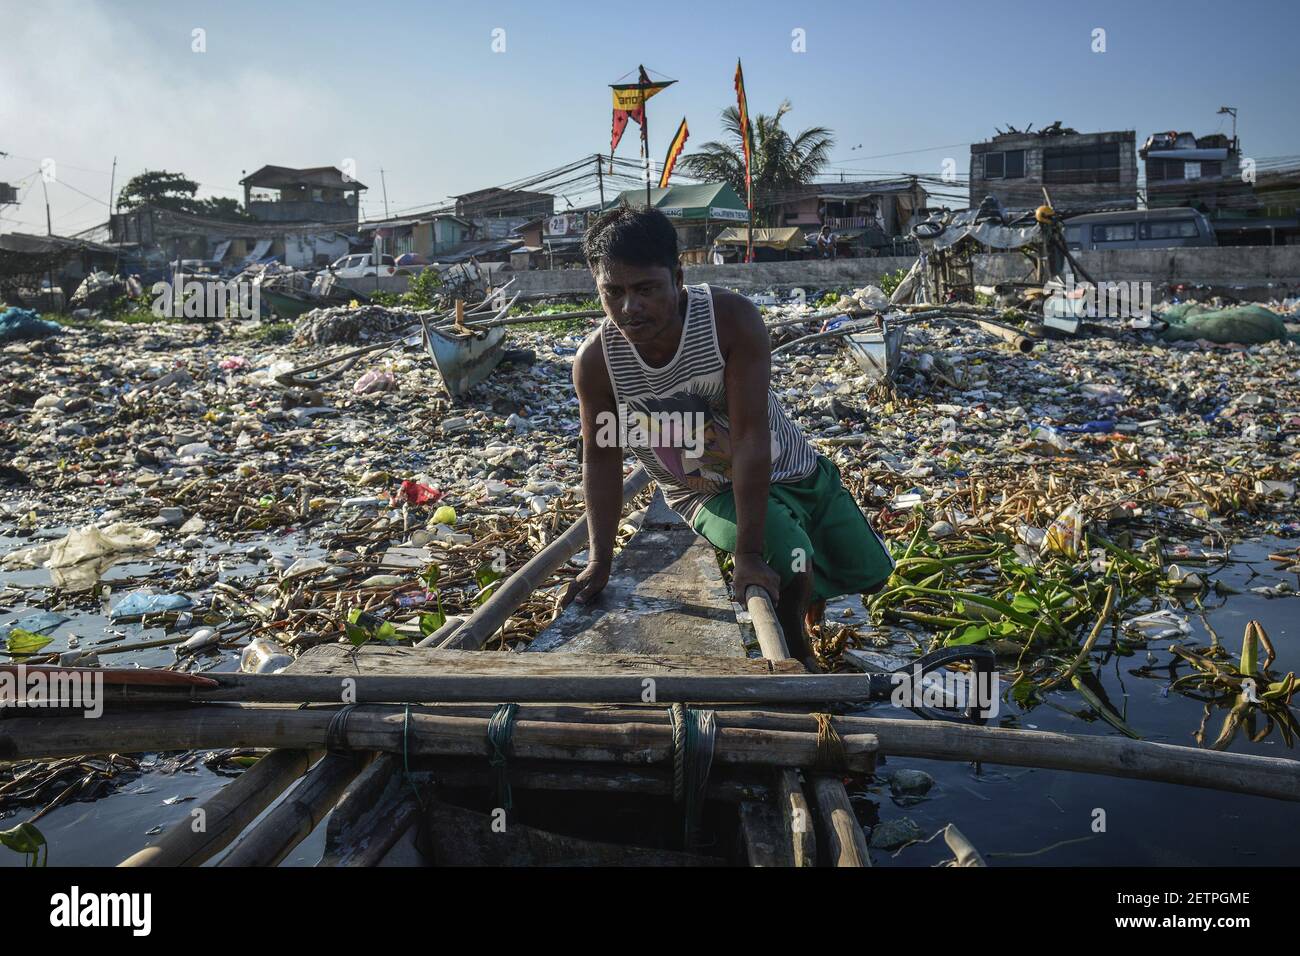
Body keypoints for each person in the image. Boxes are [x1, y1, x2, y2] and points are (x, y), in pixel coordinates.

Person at [562, 205, 894, 666]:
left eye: (646, 289)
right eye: (612, 292)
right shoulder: (598, 363)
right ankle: (800, 659)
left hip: (792, 467)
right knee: (792, 555)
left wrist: (749, 553)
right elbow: (600, 460)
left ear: (677, 278)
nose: (629, 308)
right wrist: (600, 560)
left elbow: (751, 437)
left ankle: (805, 590)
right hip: (705, 490)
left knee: (873, 574)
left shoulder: (729, 320)